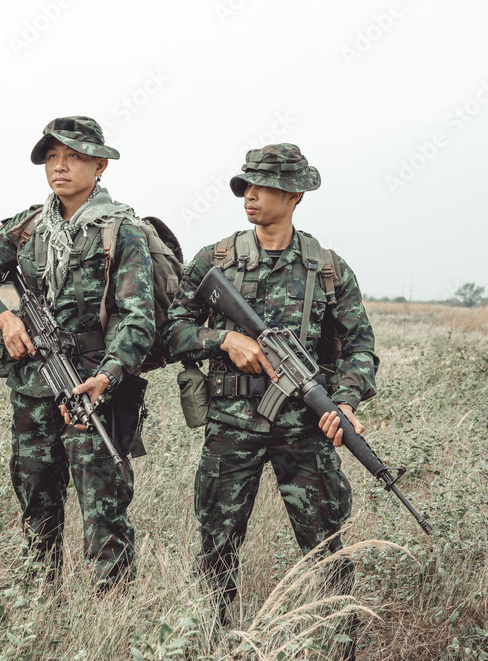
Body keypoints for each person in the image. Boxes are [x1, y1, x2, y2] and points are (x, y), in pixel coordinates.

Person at [161, 143, 379, 628]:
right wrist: (224, 339)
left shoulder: (328, 268)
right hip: (230, 426)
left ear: (295, 195)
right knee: (217, 546)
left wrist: (345, 400)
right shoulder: (215, 260)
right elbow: (171, 331)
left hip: (306, 428)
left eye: (264, 186)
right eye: (247, 185)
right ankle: (211, 639)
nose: (251, 195)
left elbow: (360, 346)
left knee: (325, 547)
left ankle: (338, 641)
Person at [0, 116, 155, 590]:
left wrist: (108, 375)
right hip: (32, 389)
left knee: (103, 513)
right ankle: (40, 606)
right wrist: (4, 318)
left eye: (73, 157)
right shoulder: (29, 228)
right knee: (36, 507)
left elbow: (138, 317)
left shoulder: (121, 231)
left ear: (100, 165)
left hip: (92, 389)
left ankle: (113, 611)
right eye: (51, 157)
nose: (59, 166)